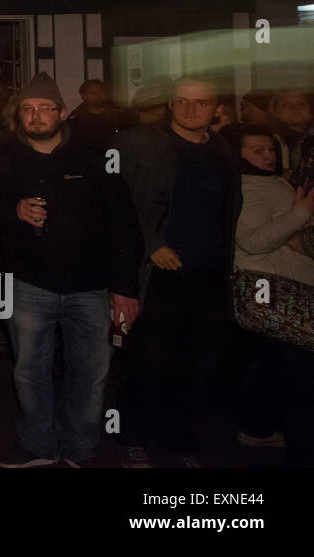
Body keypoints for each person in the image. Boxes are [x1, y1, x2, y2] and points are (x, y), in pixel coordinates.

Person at [0, 74, 142, 468]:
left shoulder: (95, 156)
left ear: (62, 113)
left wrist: (125, 288)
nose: (36, 115)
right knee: (30, 373)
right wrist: (12, 212)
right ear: (19, 115)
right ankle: (37, 446)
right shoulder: (1, 156)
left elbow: (125, 226)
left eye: (44, 108)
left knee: (90, 373)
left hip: (91, 287)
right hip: (28, 285)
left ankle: (80, 449)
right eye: (28, 109)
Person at [113, 76, 242, 468]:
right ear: (169, 103)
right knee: (144, 361)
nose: (190, 110)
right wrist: (152, 245)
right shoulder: (137, 142)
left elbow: (227, 213)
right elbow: (112, 205)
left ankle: (181, 442)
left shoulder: (222, 149)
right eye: (181, 101)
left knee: (195, 364)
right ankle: (134, 438)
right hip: (155, 276)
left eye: (201, 103)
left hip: (207, 276)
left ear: (216, 108)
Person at [231, 125, 314, 464]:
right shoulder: (248, 186)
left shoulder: (272, 182)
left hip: (288, 285)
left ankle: (258, 427)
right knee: (301, 373)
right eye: (257, 150)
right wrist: (300, 215)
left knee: (276, 365)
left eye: (271, 150)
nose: (268, 156)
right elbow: (251, 241)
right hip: (269, 288)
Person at [66, 80, 135, 156]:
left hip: (116, 162)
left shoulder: (120, 116)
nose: (99, 95)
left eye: (101, 91)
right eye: (93, 93)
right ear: (83, 96)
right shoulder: (75, 119)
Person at [270, 89, 314, 182]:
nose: (294, 108)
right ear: (275, 111)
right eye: (285, 105)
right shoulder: (270, 142)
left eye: (301, 104)